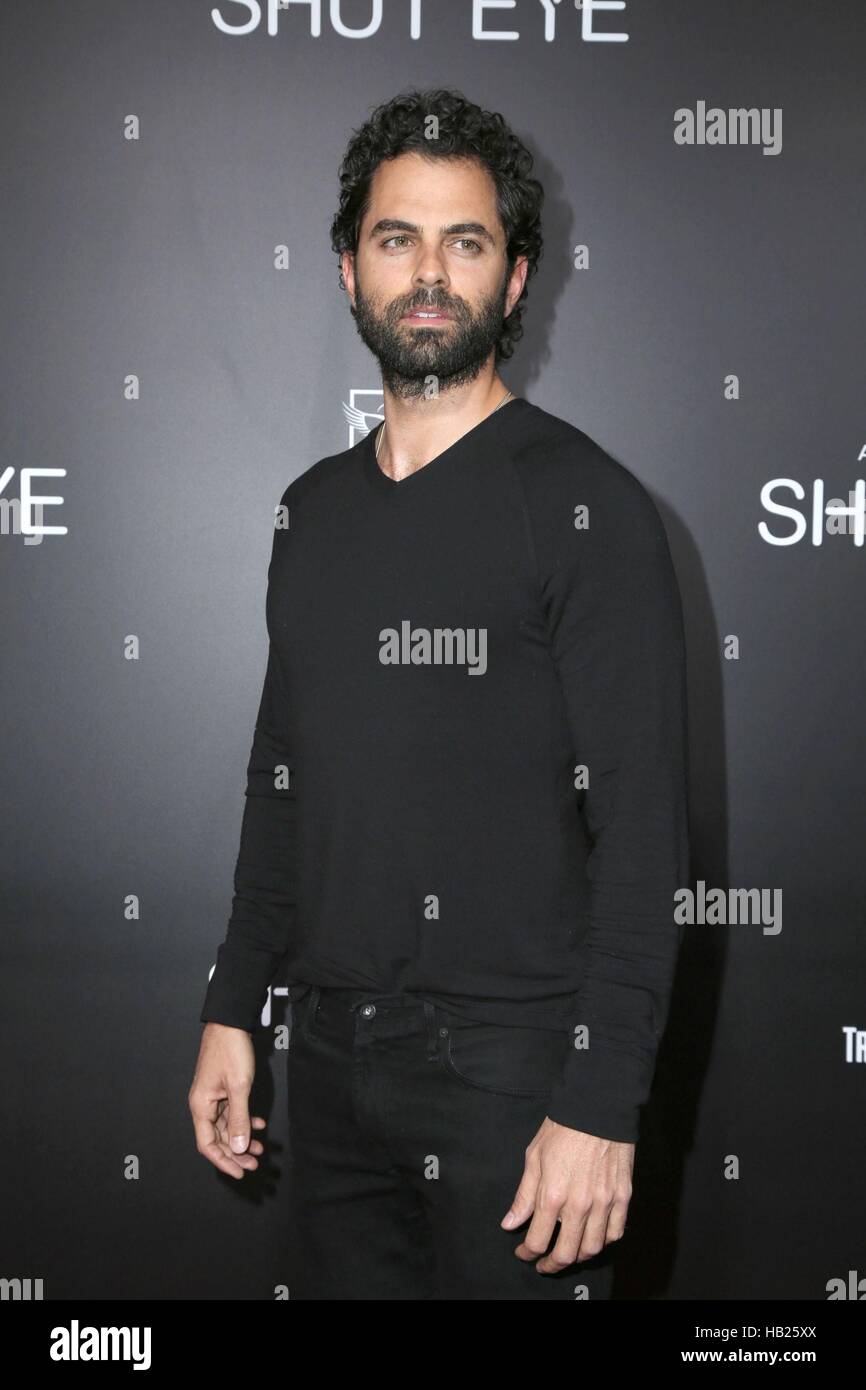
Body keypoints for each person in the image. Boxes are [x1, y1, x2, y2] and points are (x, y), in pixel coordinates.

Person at [188, 87, 690, 1300]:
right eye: (395, 238)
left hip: (518, 1083)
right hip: (332, 1064)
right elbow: (281, 782)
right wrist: (231, 1003)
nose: (428, 272)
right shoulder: (308, 512)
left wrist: (597, 1099)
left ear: (513, 279)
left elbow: (643, 836)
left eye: (464, 242)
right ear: (345, 270)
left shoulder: (588, 509)